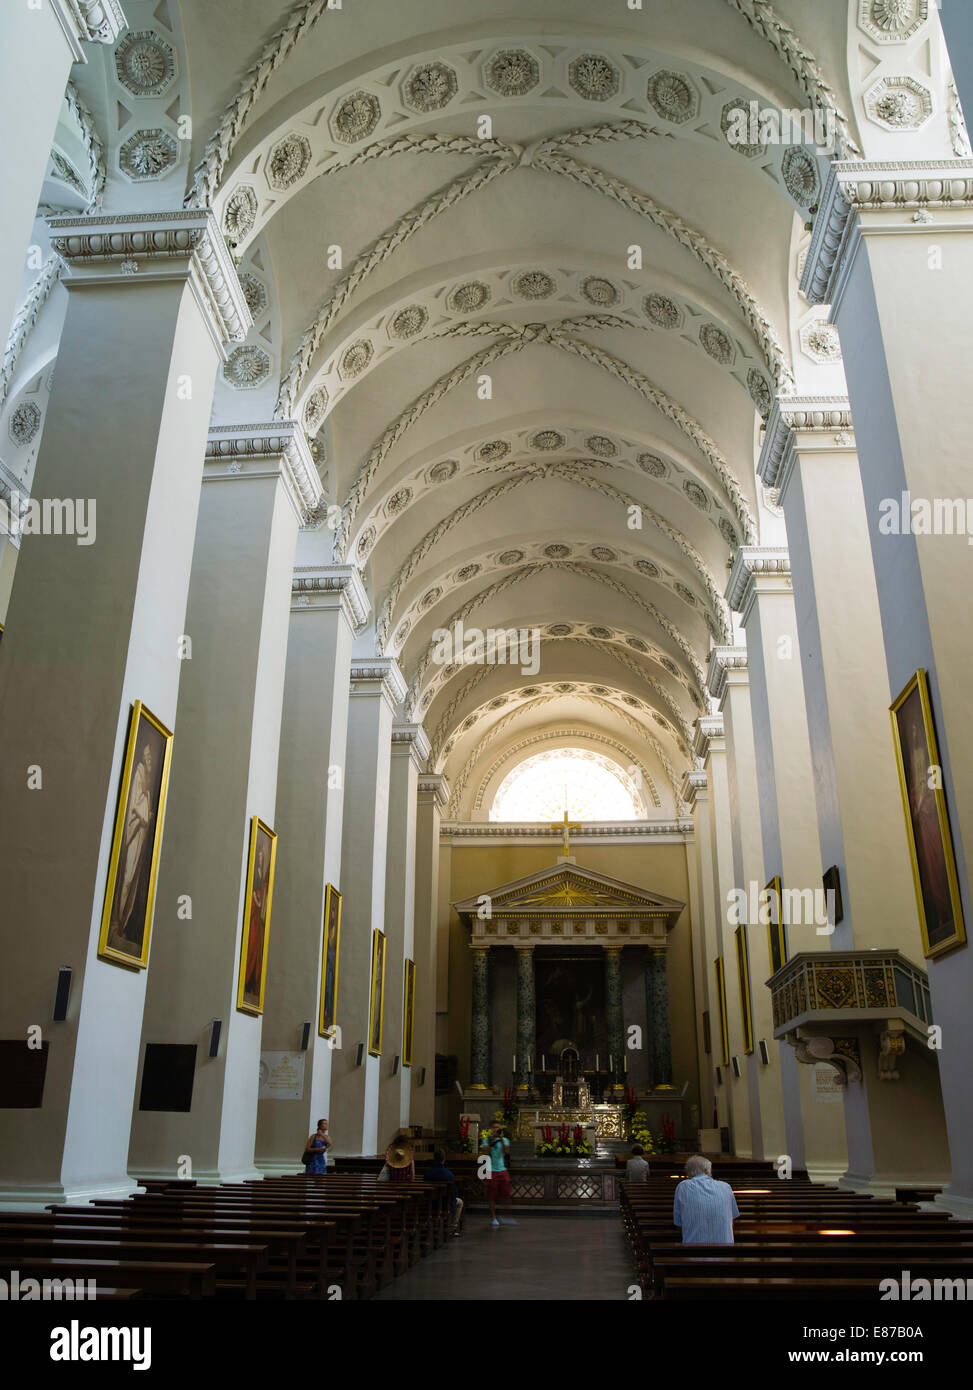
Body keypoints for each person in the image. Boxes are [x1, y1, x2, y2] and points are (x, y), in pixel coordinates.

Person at [672, 1154, 740, 1244]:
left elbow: (678, 1223)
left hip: (693, 1253)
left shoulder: (683, 1187)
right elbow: (732, 1220)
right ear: (708, 1170)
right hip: (725, 1251)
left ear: (688, 1171)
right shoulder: (725, 1186)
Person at [481, 1120, 515, 1227]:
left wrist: (500, 1139)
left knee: (507, 1193)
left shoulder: (504, 1139)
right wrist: (492, 1142)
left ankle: (506, 1215)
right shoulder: (487, 1140)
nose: (496, 1129)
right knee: (491, 1195)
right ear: (491, 1129)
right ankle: (493, 1217)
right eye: (494, 1127)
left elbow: (507, 1152)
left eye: (498, 1128)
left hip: (502, 1169)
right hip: (491, 1170)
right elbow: (486, 1153)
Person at [424, 1147, 464, 1236]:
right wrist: (452, 1201)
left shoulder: (428, 1173)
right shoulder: (448, 1174)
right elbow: (453, 1192)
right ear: (444, 1158)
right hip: (445, 1203)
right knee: (460, 1202)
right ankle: (452, 1228)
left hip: (430, 1202)